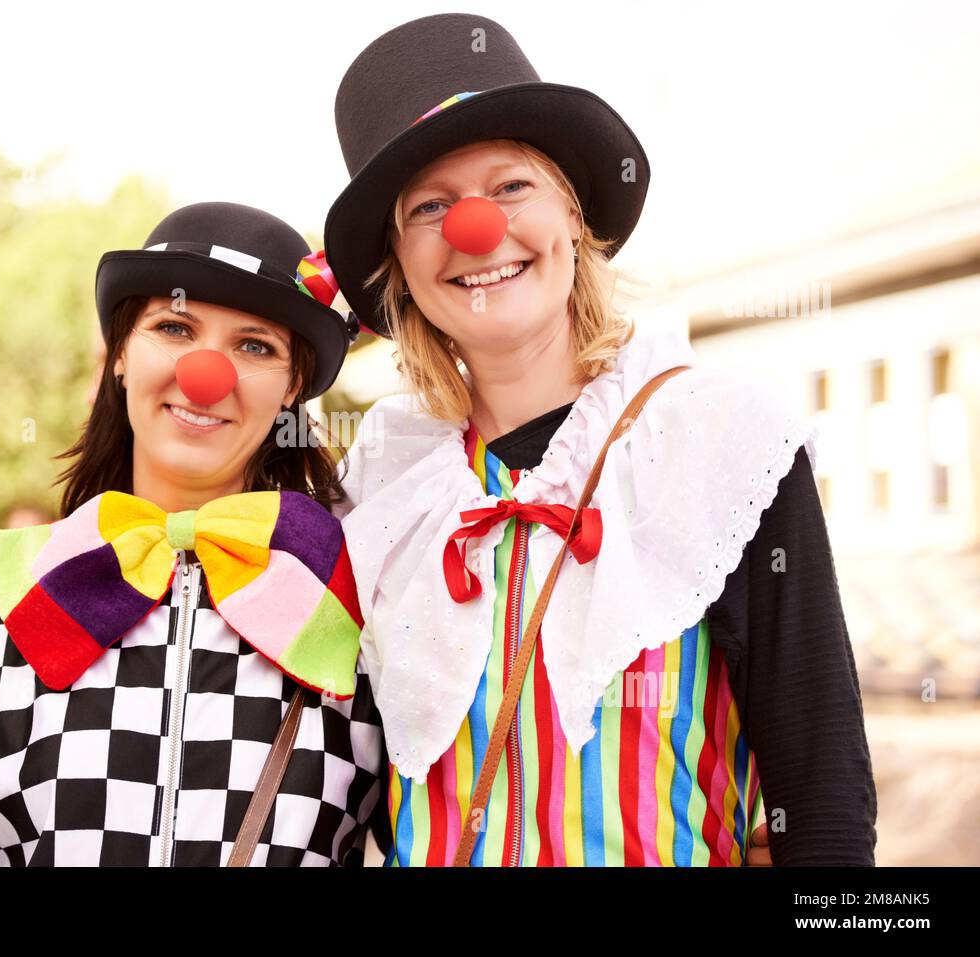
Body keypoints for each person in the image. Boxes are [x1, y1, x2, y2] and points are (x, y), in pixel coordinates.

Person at [321, 14, 873, 865]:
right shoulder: (377, 483)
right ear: (399, 264)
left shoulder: (720, 441)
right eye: (430, 206)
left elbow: (824, 792)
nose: (476, 227)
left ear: (574, 215)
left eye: (511, 187)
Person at [0, 201, 389, 866]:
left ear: (292, 385)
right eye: (174, 327)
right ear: (117, 356)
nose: (207, 374)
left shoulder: (363, 612)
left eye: (254, 345)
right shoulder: (5, 615)